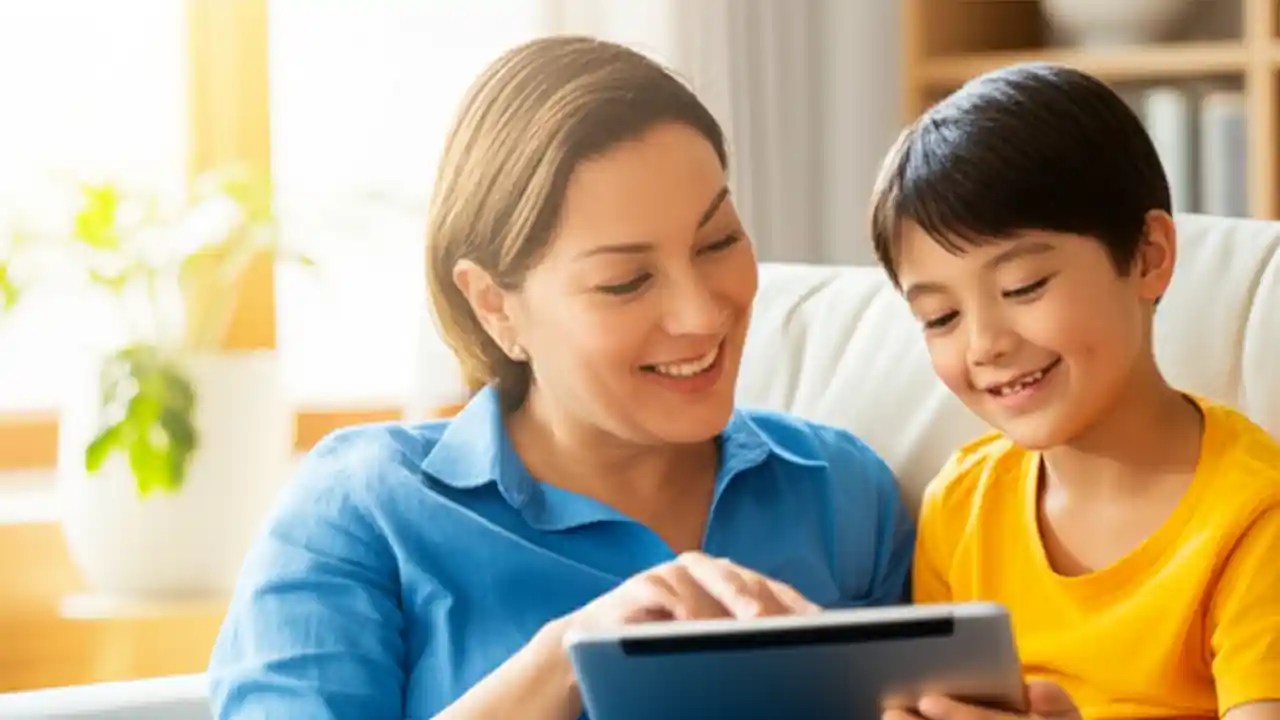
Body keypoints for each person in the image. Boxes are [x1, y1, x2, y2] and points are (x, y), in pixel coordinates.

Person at [208, 36, 915, 719]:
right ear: (495, 307)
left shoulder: (844, 495)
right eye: (626, 281)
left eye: (718, 241)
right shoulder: (363, 510)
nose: (701, 314)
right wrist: (565, 659)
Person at [870, 62, 1280, 720]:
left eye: (1024, 287)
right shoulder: (961, 507)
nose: (985, 344)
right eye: (941, 318)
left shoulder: (1254, 518)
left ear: (1147, 256)